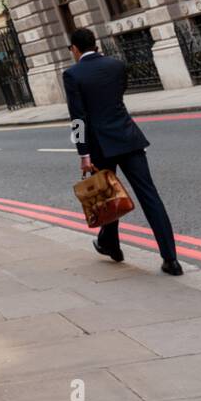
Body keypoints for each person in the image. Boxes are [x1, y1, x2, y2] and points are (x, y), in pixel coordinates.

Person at [62, 27, 182, 275]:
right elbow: (118, 96)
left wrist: (83, 154)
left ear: (75, 48)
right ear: (94, 44)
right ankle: (171, 260)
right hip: (128, 138)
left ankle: (111, 244)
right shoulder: (116, 65)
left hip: (100, 146)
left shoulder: (72, 74)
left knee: (107, 198)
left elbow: (78, 118)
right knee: (150, 197)